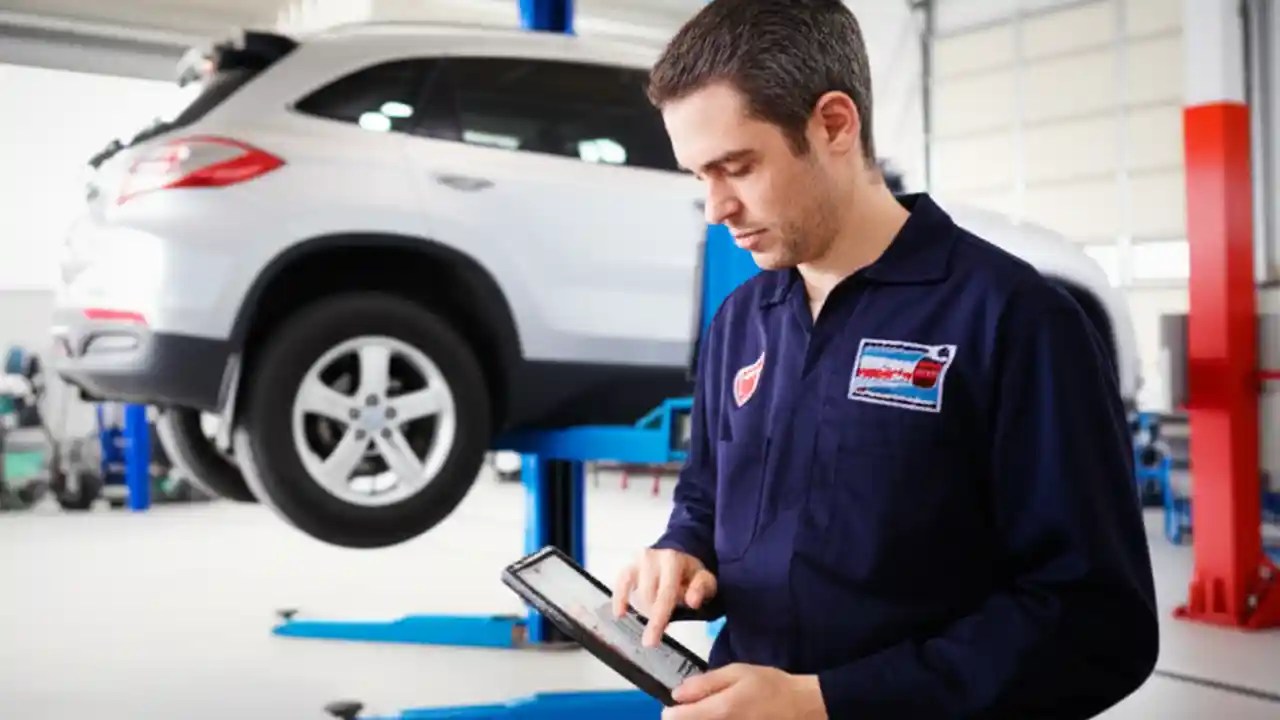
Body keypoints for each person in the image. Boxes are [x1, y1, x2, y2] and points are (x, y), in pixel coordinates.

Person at [610, 1, 1160, 718]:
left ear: (834, 124)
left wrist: (827, 702)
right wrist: (683, 552)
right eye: (698, 177)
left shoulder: (1013, 321)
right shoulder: (742, 321)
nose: (716, 207)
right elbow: (707, 499)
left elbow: (1096, 624)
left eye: (737, 168)